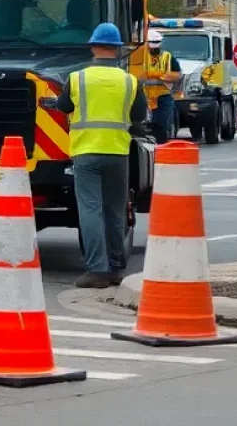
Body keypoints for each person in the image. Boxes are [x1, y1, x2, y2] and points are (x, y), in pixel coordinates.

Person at [56, 22, 148, 288]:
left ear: (93, 46)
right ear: (118, 50)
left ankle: (97, 270)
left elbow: (63, 106)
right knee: (115, 210)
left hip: (86, 152)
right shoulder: (130, 81)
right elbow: (139, 116)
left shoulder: (78, 78)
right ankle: (117, 267)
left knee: (91, 210)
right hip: (118, 153)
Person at [144, 29, 181, 143]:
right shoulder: (141, 57)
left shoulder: (168, 57)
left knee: (161, 124)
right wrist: (157, 74)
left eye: (156, 44)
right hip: (144, 96)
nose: (154, 48)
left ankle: (160, 146)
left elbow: (177, 75)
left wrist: (159, 75)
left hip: (162, 97)